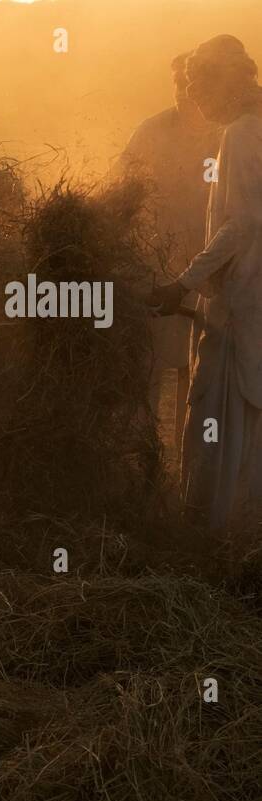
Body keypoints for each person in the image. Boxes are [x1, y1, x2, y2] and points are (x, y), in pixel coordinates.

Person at [150, 35, 262, 533]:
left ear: (225, 82)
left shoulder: (240, 134)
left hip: (239, 303)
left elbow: (239, 225)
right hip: (248, 297)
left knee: (223, 420)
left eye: (199, 84)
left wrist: (184, 283)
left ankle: (218, 535)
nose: (193, 96)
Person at [118, 52, 220, 466]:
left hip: (210, 266)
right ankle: (146, 460)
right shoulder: (151, 132)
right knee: (152, 362)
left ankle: (186, 464)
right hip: (157, 261)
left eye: (190, 89)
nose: (184, 98)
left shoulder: (228, 136)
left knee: (196, 370)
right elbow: (121, 186)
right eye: (178, 88)